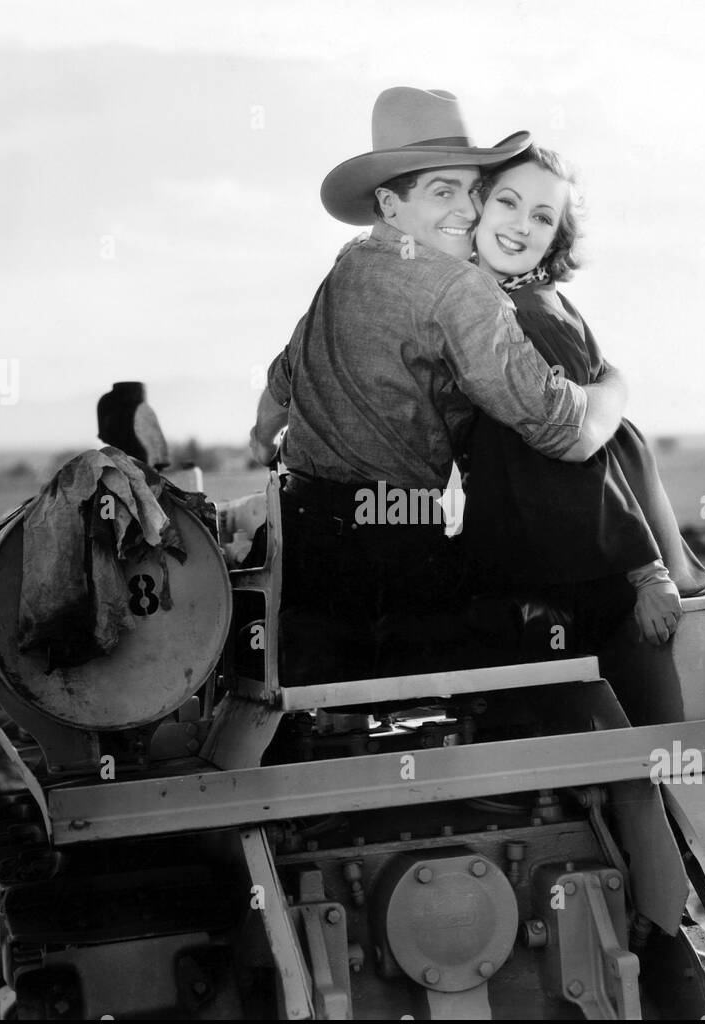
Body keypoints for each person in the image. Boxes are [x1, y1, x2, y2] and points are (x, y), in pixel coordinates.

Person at [250, 89, 631, 681]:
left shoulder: (348, 265)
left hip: (303, 557)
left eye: (472, 190)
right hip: (395, 567)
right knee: (567, 627)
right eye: (441, 191)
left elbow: (280, 384)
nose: (468, 211)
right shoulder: (458, 289)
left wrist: (260, 439)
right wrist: (614, 384)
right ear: (389, 203)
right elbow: (570, 434)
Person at [458, 143, 705, 671]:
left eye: (542, 217)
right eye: (508, 203)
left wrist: (648, 573)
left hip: (590, 555)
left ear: (556, 237)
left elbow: (589, 451)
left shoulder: (527, 315)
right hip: (572, 544)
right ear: (480, 205)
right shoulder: (514, 299)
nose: (520, 226)